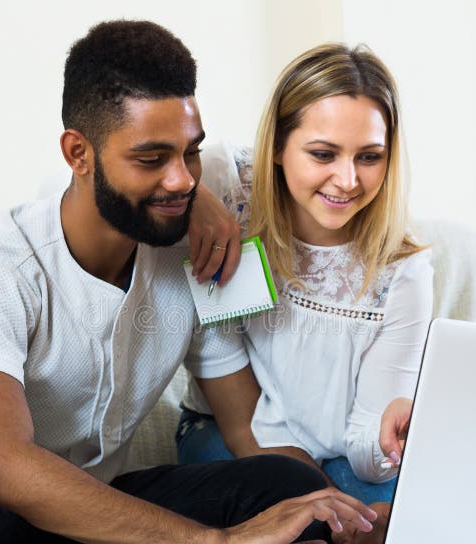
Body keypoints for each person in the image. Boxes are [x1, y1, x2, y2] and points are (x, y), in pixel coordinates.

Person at [0, 22, 378, 544]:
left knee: (284, 486)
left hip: (97, 498)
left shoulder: (196, 251)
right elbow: (2, 467)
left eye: (191, 154)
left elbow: (245, 425)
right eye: (152, 159)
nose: (182, 179)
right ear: (78, 153)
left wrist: (341, 508)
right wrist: (217, 543)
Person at [176, 43, 433, 505]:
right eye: (323, 154)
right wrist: (195, 199)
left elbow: (363, 449)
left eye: (369, 157)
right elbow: (80, 187)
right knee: (281, 496)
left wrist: (388, 438)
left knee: (394, 508)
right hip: (227, 430)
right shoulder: (225, 185)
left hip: (340, 452)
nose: (348, 180)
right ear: (276, 146)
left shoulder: (403, 271)